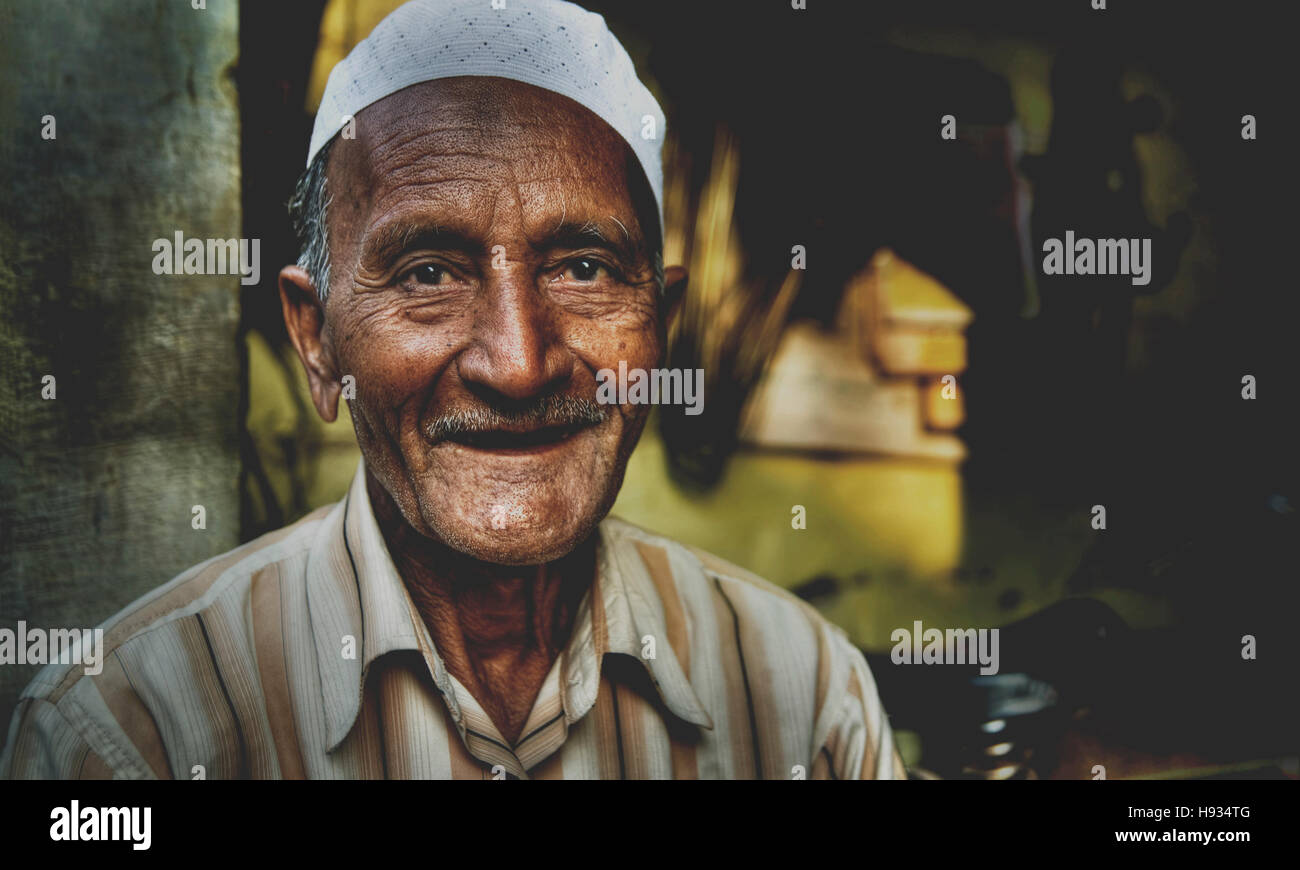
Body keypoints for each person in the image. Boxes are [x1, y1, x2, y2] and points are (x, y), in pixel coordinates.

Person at [1, 0, 904, 779]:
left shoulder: (806, 700)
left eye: (584, 267)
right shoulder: (123, 737)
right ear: (316, 342)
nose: (518, 364)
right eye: (428, 273)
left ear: (658, 325)